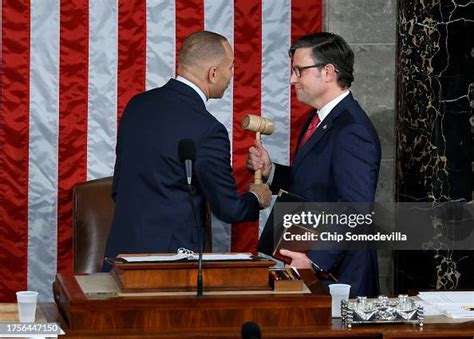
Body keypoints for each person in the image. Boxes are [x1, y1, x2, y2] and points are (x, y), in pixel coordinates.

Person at [105, 31, 272, 264]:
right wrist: (257, 197)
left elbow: (118, 187)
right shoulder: (208, 130)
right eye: (231, 67)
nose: (232, 75)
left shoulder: (137, 105)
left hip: (119, 253)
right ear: (213, 73)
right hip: (169, 266)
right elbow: (229, 209)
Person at [247, 32, 381, 297]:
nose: (292, 79)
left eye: (299, 70)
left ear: (328, 72)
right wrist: (271, 171)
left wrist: (315, 260)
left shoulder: (352, 129)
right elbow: (313, 184)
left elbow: (355, 207)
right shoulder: (317, 119)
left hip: (337, 276)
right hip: (306, 264)